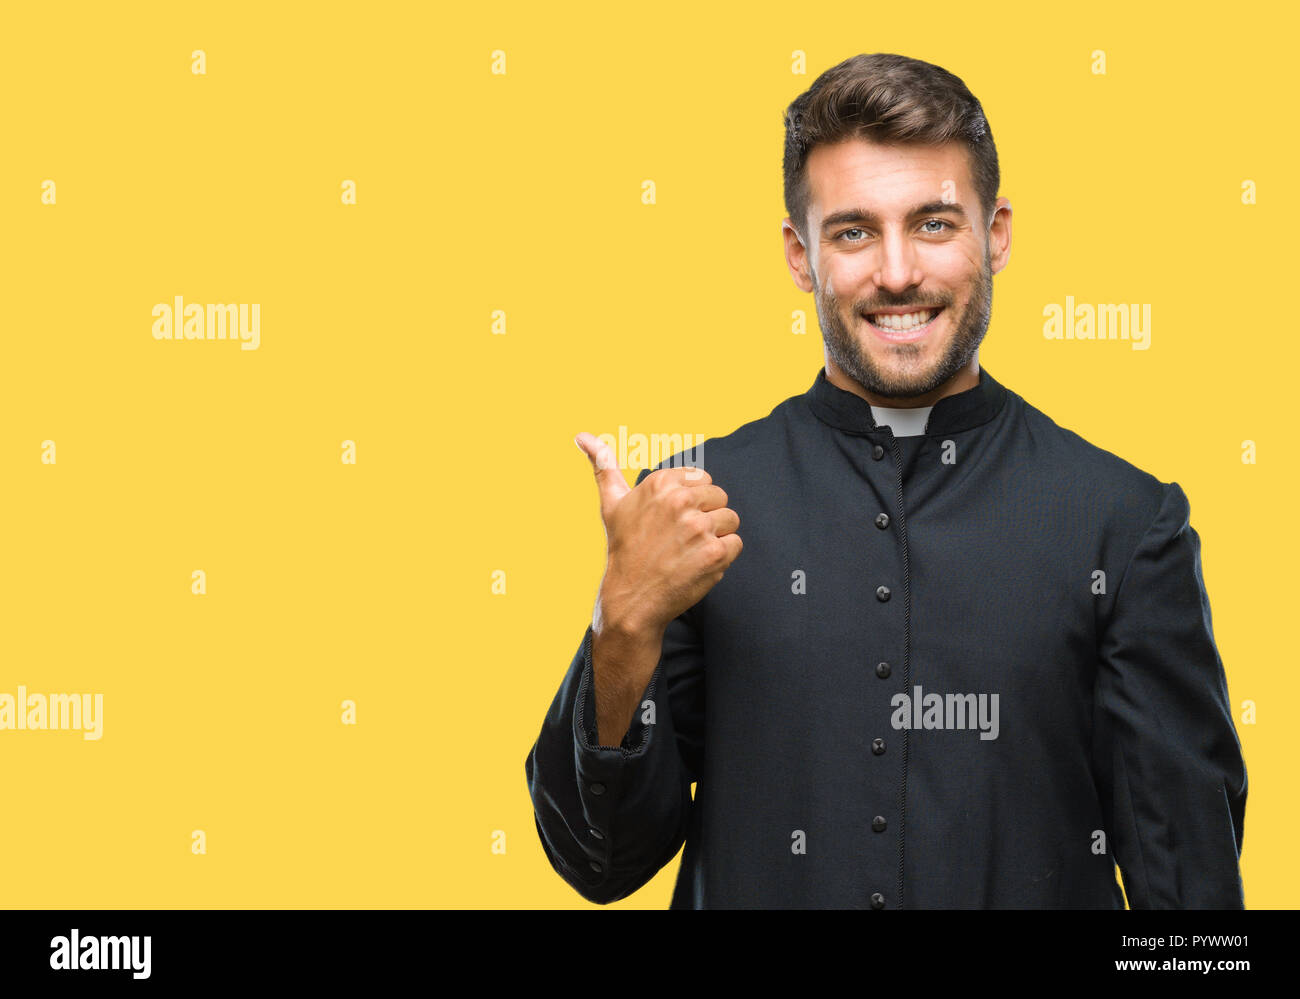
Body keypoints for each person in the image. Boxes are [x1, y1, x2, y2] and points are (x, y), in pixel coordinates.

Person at [524, 52, 1248, 909]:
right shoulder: (691, 506)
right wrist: (624, 622)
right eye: (855, 231)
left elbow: (1193, 905)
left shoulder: (1125, 525)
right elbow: (599, 863)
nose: (898, 271)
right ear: (801, 254)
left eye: (936, 223)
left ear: (998, 233)